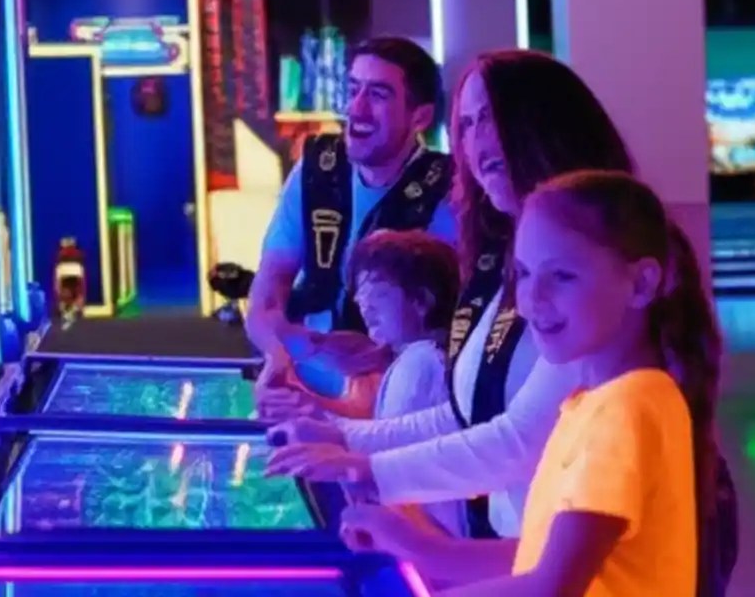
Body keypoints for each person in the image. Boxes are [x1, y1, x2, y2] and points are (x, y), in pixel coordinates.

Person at [265, 50, 636, 550]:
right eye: (466, 124)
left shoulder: (603, 257)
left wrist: (371, 471)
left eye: (491, 117)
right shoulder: (498, 258)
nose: (478, 140)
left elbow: (519, 440)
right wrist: (341, 436)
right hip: (519, 544)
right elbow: (465, 412)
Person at [346, 170, 722, 597]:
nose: (532, 298)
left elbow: (551, 587)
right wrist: (419, 546)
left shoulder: (630, 406)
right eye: (523, 273)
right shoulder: (588, 404)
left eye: (562, 275)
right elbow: (541, 558)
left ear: (641, 282)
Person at [246, 37, 458, 413]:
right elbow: (268, 289)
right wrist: (278, 355)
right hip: (297, 379)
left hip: (391, 400)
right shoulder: (315, 168)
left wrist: (378, 355)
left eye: (378, 94)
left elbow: (446, 327)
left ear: (420, 117)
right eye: (353, 89)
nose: (357, 108)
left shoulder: (447, 188)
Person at [275, 228, 467, 536]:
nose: (364, 305)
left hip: (429, 533)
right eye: (360, 294)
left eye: (377, 292)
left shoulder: (420, 362)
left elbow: (394, 451)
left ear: (422, 300)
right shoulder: (414, 359)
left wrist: (327, 429)